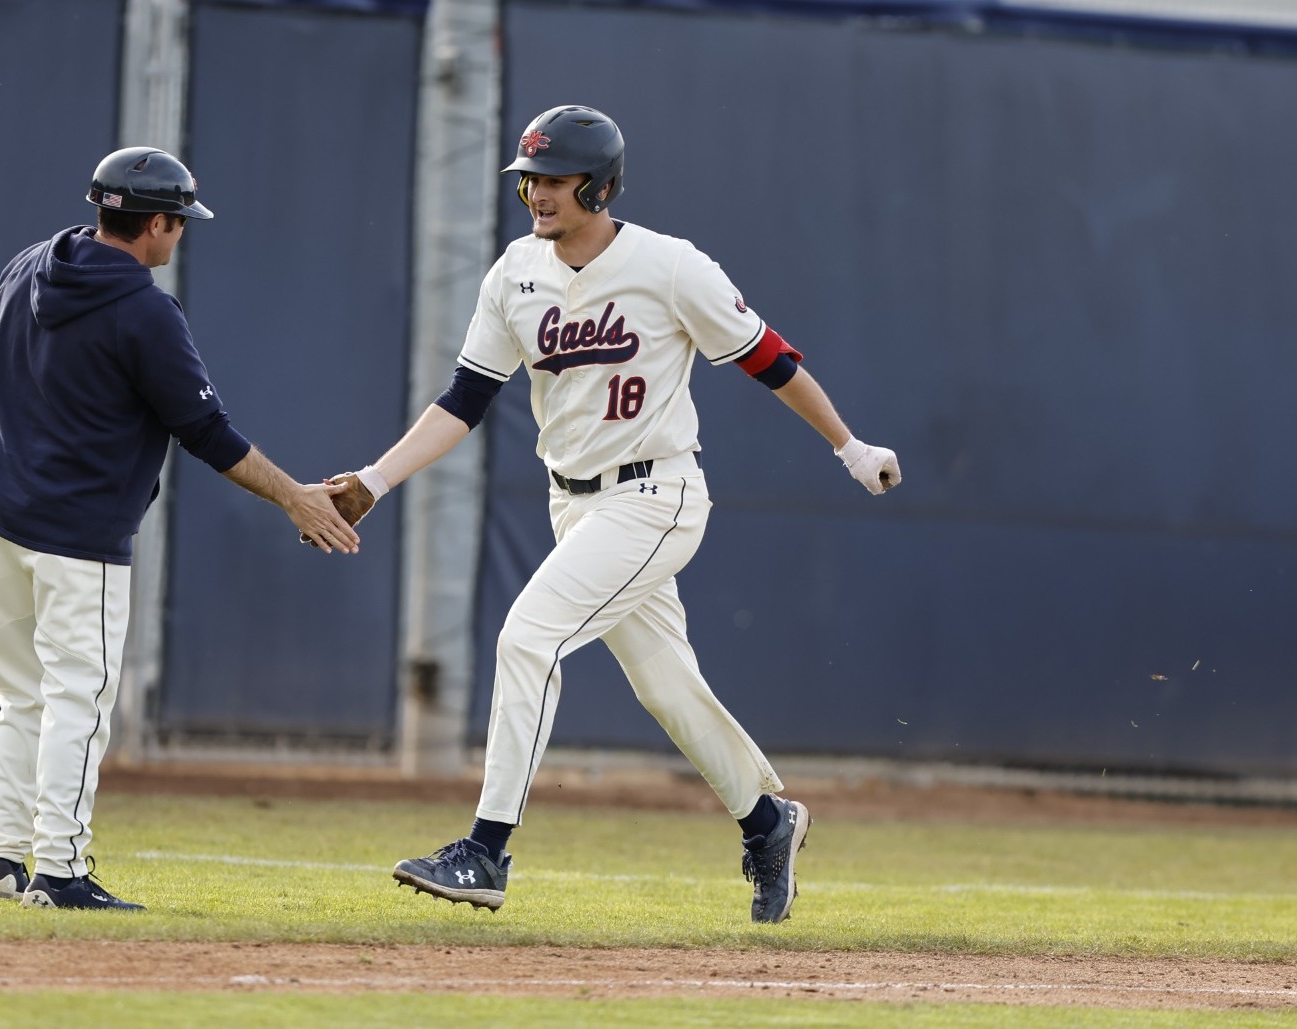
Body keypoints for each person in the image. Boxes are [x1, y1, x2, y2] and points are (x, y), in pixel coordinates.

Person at [340, 106, 900, 923]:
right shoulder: (514, 273)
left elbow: (770, 359)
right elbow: (464, 399)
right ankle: (766, 820)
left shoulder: (668, 266)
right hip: (573, 502)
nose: (536, 193)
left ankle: (485, 851)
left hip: (654, 496)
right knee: (666, 685)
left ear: (599, 186)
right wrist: (375, 479)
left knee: (527, 637)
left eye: (554, 179)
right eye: (528, 179)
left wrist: (848, 446)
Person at [0, 146, 360, 911]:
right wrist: (296, 498)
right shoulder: (144, 309)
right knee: (78, 697)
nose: (179, 234)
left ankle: (4, 860)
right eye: (178, 222)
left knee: (22, 696)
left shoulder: (30, 263)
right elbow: (205, 429)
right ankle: (57, 870)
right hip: (76, 533)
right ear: (155, 224)